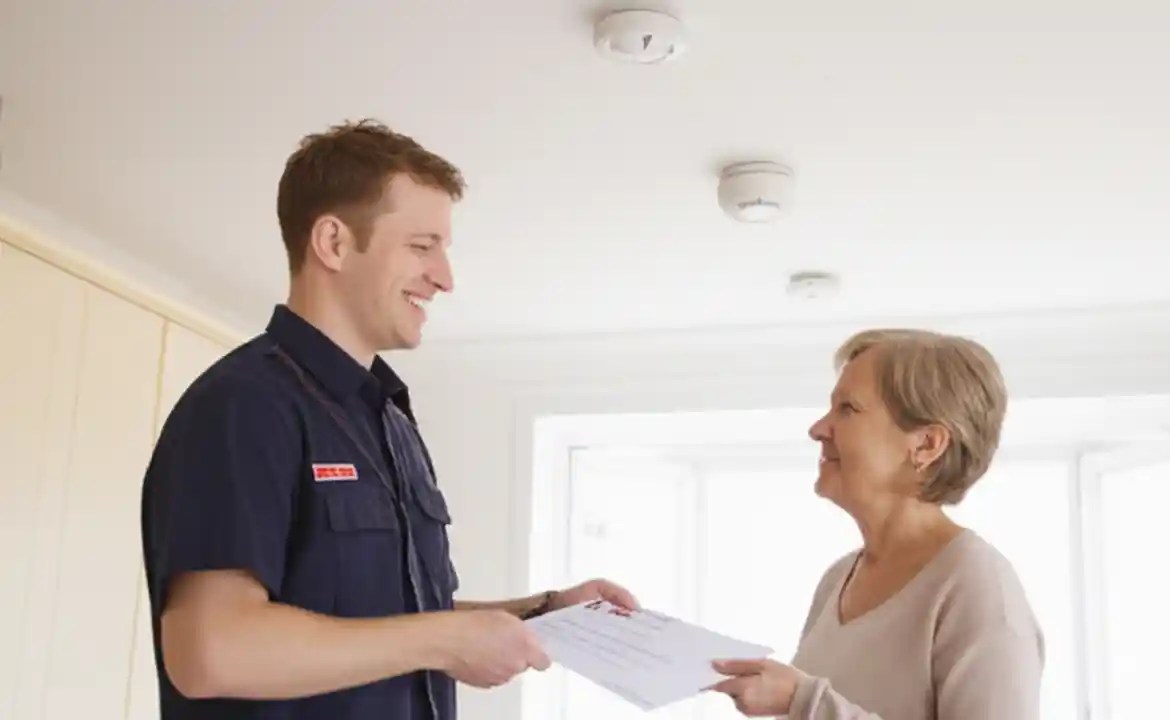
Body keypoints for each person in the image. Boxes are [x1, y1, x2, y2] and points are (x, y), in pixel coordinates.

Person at [140, 119, 638, 719]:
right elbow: (212, 652)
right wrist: (445, 640)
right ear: (333, 243)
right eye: (422, 246)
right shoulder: (245, 403)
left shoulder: (389, 420)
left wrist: (542, 612)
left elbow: (394, 622)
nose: (445, 278)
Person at [711, 329, 1043, 719]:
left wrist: (804, 700)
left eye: (847, 409)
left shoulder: (977, 585)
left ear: (926, 445)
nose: (818, 429)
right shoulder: (837, 579)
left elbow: (815, 707)